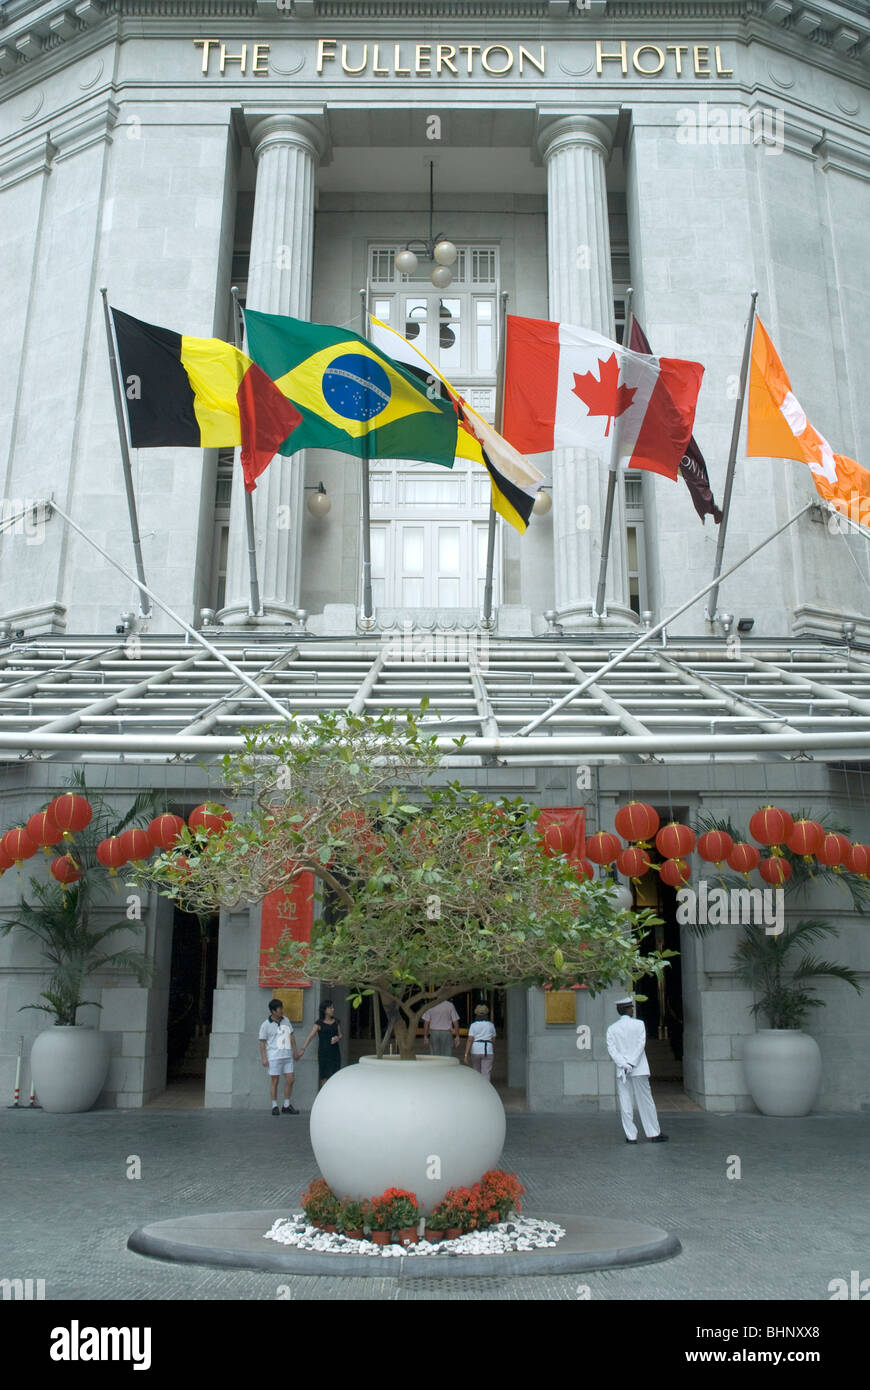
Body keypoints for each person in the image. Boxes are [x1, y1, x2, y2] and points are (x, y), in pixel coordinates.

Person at [605, 997, 669, 1144]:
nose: (633, 1010)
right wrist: (632, 1063)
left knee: (625, 1102)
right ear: (627, 1009)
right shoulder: (639, 1024)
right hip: (638, 1068)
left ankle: (631, 1136)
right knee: (645, 1101)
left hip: (623, 1071)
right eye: (631, 1008)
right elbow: (641, 1045)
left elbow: (612, 1050)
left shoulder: (612, 1029)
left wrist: (624, 1064)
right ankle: (653, 1133)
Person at [259, 998, 301, 1115]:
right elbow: (262, 1042)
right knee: (275, 1081)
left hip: (287, 1055)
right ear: (273, 1011)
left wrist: (295, 1051)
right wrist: (264, 1057)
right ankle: (274, 1105)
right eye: (279, 1009)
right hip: (274, 1056)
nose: (282, 1011)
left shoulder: (286, 1020)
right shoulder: (265, 1025)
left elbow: (292, 1036)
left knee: (290, 1079)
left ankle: (286, 1104)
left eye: (282, 1008)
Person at [299, 999, 343, 1089]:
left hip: (335, 1052)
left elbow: (340, 1035)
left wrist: (337, 1038)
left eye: (333, 1007)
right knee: (324, 1075)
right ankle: (324, 1095)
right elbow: (310, 1036)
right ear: (325, 1010)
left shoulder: (336, 1021)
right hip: (323, 1052)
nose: (333, 1009)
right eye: (330, 1008)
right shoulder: (319, 1023)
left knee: (335, 1073)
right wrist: (303, 1049)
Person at [464, 1002, 496, 1082]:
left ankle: (478, 1089)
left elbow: (470, 1040)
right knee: (486, 1073)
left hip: (476, 1050)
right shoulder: (490, 1025)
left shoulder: (473, 1025)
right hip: (488, 1050)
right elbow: (493, 1040)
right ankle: (486, 1090)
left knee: (476, 1072)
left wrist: (466, 1054)